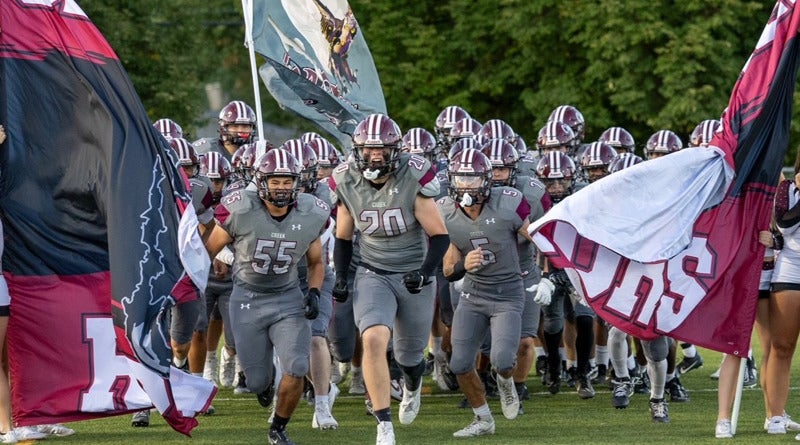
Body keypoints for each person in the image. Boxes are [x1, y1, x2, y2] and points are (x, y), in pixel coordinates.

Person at [327, 113, 449, 445]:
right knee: (373, 339)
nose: (375, 156)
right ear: (357, 150)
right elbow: (342, 237)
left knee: (409, 357)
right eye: (368, 149)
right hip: (372, 272)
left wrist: (424, 272)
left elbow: (439, 236)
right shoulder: (346, 180)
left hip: (412, 273)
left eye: (382, 149)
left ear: (396, 150)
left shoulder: (413, 177)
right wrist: (341, 276)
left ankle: (412, 384)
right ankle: (384, 424)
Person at [205, 148, 330, 445]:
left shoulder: (311, 212)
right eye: (275, 181)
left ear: (297, 183)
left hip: (288, 298)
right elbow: (209, 248)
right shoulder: (241, 209)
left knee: (297, 367)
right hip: (247, 298)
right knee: (258, 381)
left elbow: (316, 263)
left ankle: (278, 427)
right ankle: (265, 384)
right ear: (261, 182)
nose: (282, 187)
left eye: (287, 181)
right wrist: (214, 262)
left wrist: (313, 292)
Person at [440, 148, 532, 437]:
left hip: (507, 295)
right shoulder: (445, 211)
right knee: (459, 362)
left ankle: (505, 383)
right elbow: (447, 269)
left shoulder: (508, 204)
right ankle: (483, 418)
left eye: (472, 178)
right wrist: (463, 266)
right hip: (473, 294)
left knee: (503, 361)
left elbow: (539, 237)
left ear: (487, 180)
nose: (466, 185)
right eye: (461, 178)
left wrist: (555, 274)